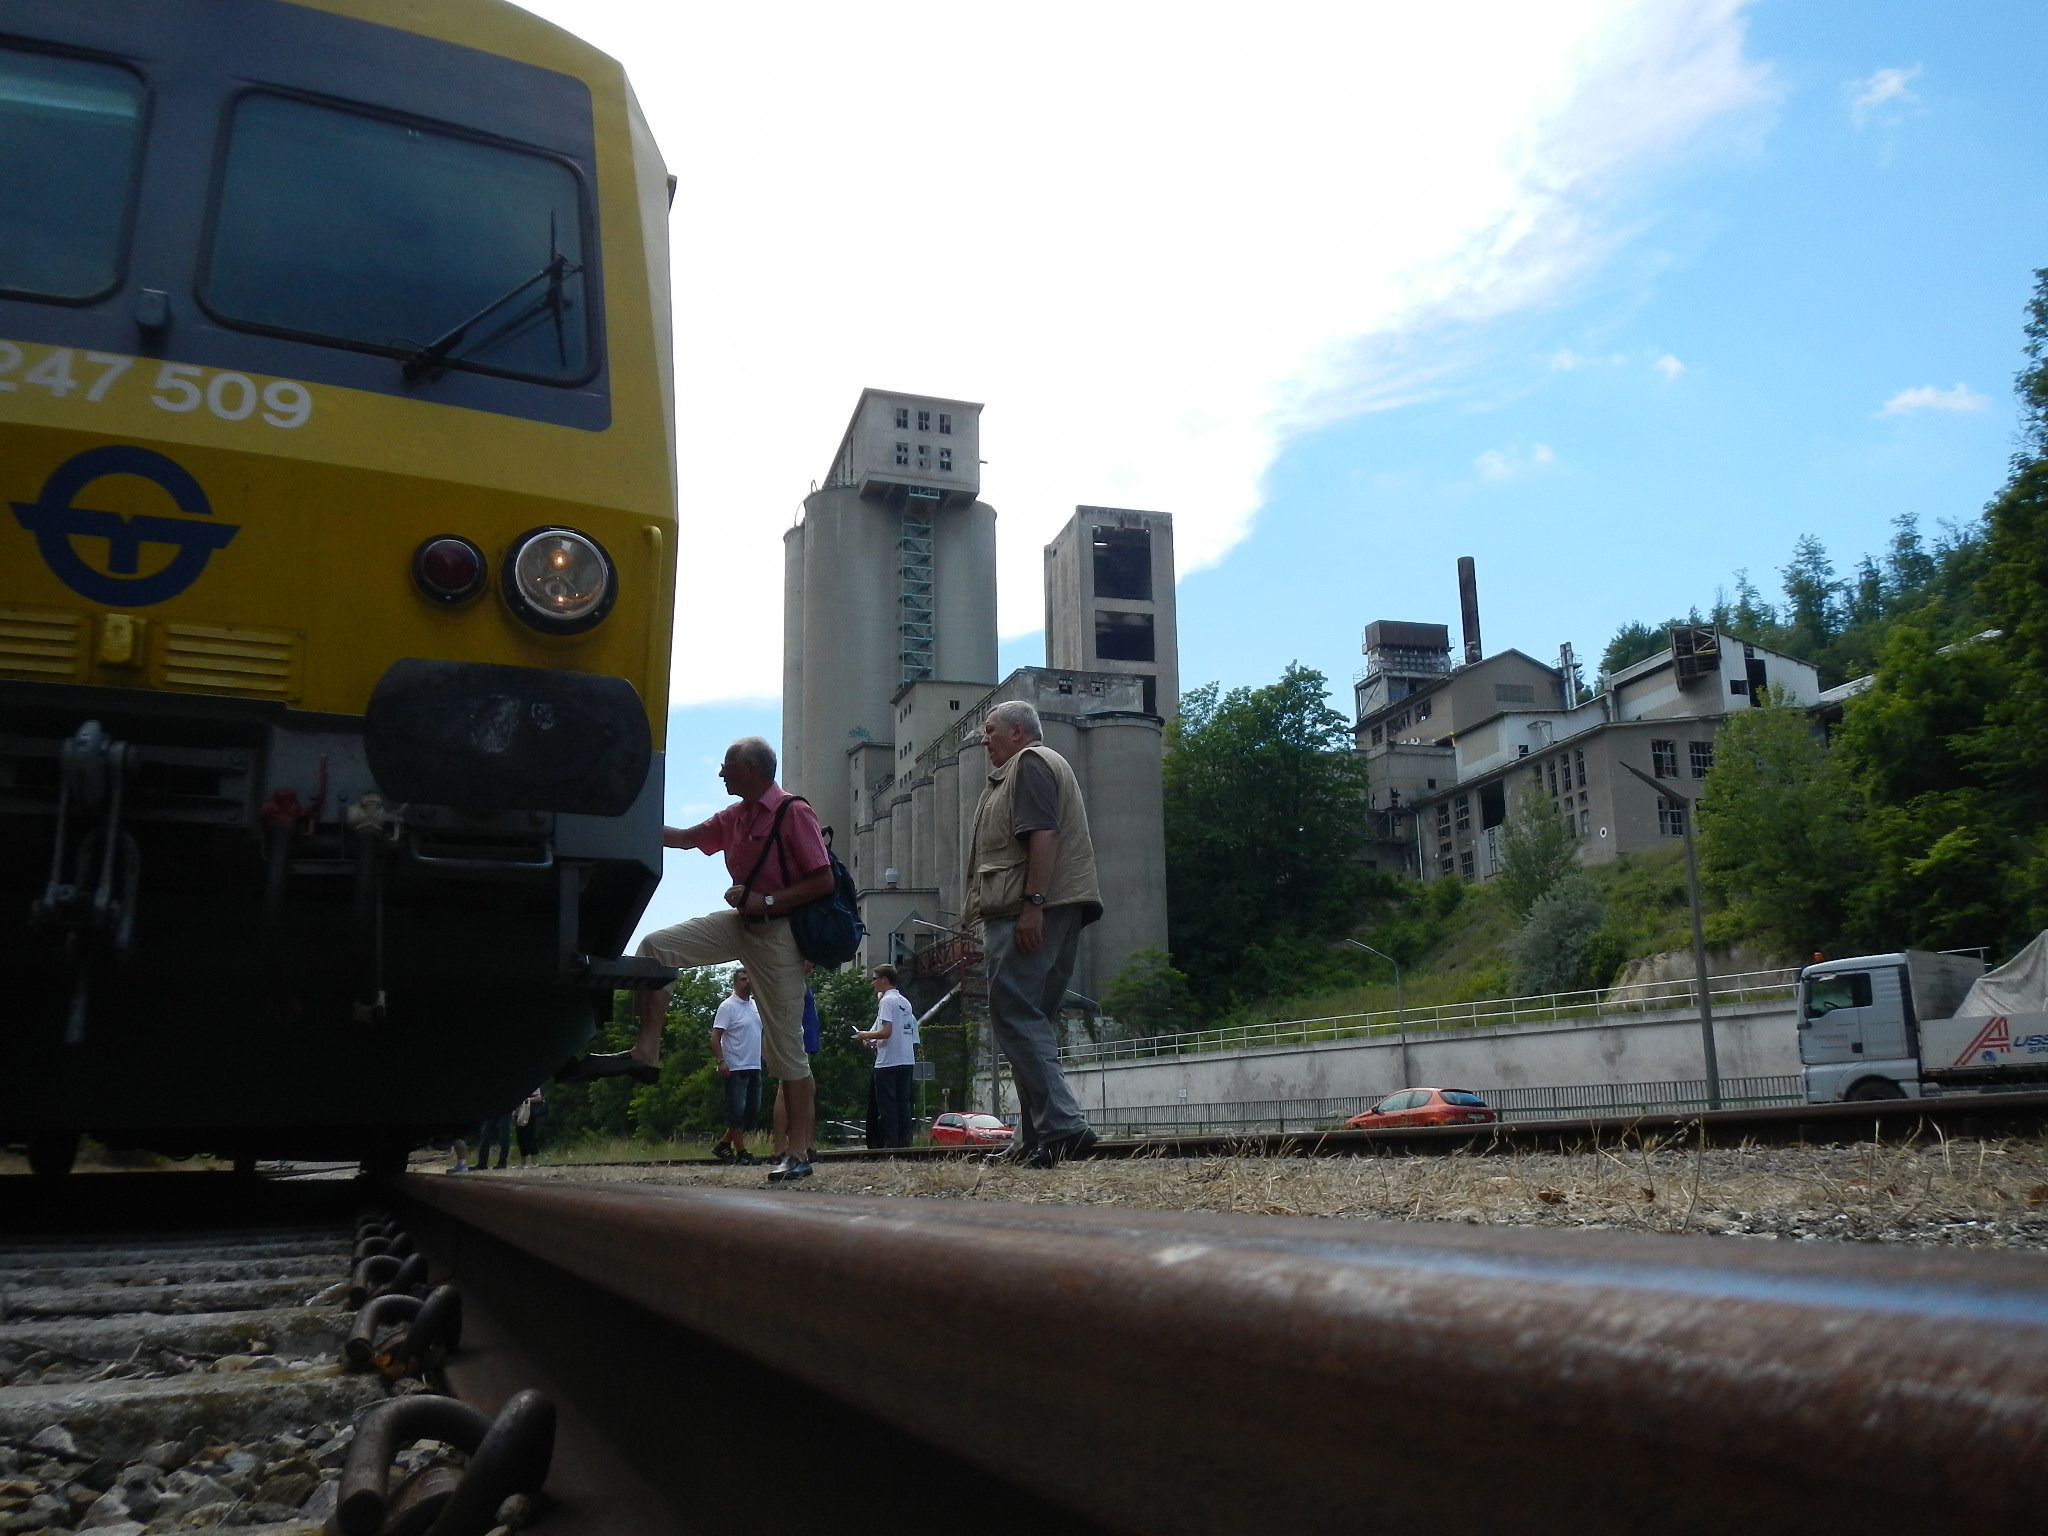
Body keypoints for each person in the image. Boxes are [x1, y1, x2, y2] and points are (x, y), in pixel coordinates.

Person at [558, 737, 833, 1184]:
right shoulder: (736, 816)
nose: (720, 773)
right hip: (742, 922)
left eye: (727, 766)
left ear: (751, 769)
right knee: (656, 947)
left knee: (786, 1049)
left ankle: (798, 1152)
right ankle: (646, 1051)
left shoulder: (792, 812)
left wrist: (765, 897)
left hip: (779, 932)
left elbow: (822, 881)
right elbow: (686, 839)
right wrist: (626, 824)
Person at [963, 700, 1102, 1167]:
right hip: (1053, 906)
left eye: (990, 730)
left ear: (1018, 732)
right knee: (1028, 1022)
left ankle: (1062, 1126)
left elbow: (1044, 834)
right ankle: (1037, 1140)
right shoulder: (1035, 766)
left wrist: (1032, 907)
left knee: (1015, 1015)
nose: (985, 739)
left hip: (1030, 909)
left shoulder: (1030, 764)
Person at [854, 964, 918, 1148]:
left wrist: (865, 1035)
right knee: (903, 1105)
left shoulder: (886, 1001)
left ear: (884, 979)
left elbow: (886, 1031)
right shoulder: (905, 1002)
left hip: (888, 1062)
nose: (873, 983)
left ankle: (889, 1145)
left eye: (874, 979)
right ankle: (904, 1143)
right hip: (906, 1059)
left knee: (887, 1107)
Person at [710, 969, 763, 1165]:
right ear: (735, 983)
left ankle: (724, 1144)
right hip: (736, 1066)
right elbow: (715, 1037)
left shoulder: (756, 1006)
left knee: (751, 1110)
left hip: (754, 1064)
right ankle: (741, 1152)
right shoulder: (728, 1007)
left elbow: (757, 1034)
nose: (748, 982)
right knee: (736, 1111)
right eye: (743, 979)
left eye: (750, 978)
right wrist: (721, 1061)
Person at [772, 983, 821, 1165]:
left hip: (801, 1038)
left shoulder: (798, 980)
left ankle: (802, 1143)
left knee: (805, 1087)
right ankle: (785, 1146)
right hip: (794, 1038)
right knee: (789, 1088)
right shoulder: (790, 977)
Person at [513, 1088, 547, 1166]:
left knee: (530, 1135)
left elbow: (539, 1098)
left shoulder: (533, 1086)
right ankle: (523, 1161)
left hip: (529, 1113)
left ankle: (534, 1161)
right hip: (518, 1113)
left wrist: (527, 1100)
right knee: (520, 1137)